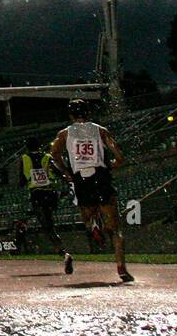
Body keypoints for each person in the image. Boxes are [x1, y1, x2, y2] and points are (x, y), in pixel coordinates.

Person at [50, 99, 133, 283]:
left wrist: (66, 171)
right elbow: (119, 156)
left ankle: (93, 225)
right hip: (100, 176)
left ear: (71, 115)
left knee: (87, 215)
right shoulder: (101, 130)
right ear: (88, 113)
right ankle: (121, 268)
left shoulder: (64, 134)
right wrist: (111, 164)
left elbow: (54, 154)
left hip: (81, 178)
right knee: (116, 228)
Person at [20, 140, 73, 274]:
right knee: (49, 223)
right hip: (50, 193)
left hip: (36, 193)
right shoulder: (47, 157)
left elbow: (21, 180)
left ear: (27, 148)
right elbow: (58, 172)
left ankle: (63, 252)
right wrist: (66, 181)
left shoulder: (24, 158)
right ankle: (62, 252)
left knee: (47, 226)